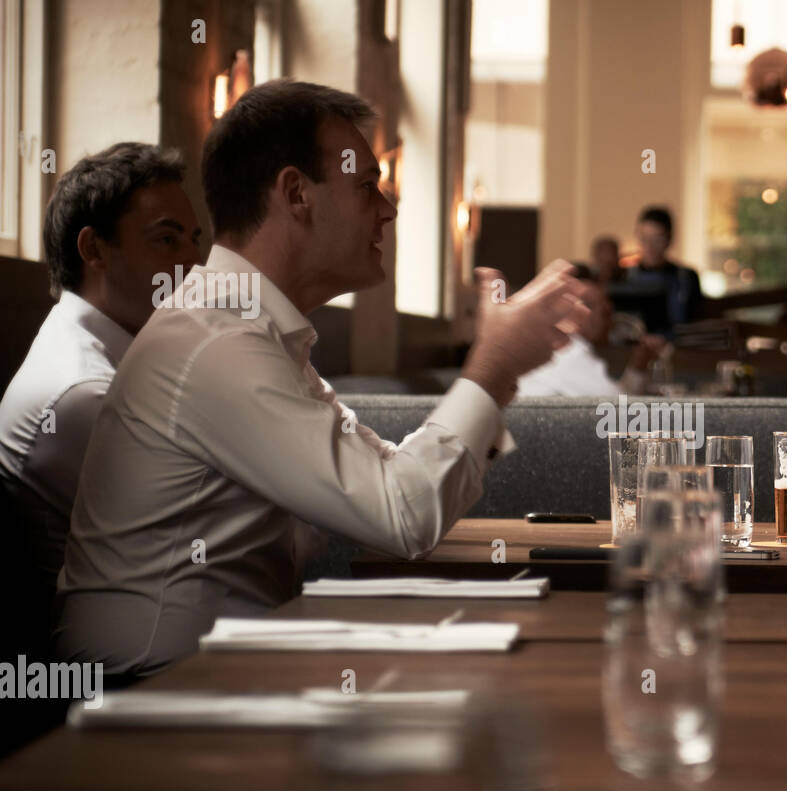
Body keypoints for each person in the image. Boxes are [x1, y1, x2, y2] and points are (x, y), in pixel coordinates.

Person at [54, 80, 589, 677]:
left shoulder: (248, 327)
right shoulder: (216, 340)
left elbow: (390, 481)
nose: (389, 208)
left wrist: (502, 373)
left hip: (216, 668)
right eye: (366, 185)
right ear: (295, 193)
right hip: (153, 692)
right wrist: (493, 367)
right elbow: (402, 515)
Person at [0, 143, 202, 613]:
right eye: (168, 240)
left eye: (195, 239)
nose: (196, 263)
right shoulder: (86, 393)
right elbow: (206, 549)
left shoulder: (106, 353)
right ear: (94, 250)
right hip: (110, 673)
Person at [516, 264, 666, 397]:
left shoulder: (553, 347)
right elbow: (619, 412)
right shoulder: (568, 354)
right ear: (579, 312)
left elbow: (616, 402)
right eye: (605, 313)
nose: (611, 323)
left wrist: (638, 365)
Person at [623, 206, 703, 334]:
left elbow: (695, 324)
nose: (649, 246)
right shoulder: (624, 276)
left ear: (669, 239)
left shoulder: (686, 277)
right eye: (644, 239)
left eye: (657, 240)